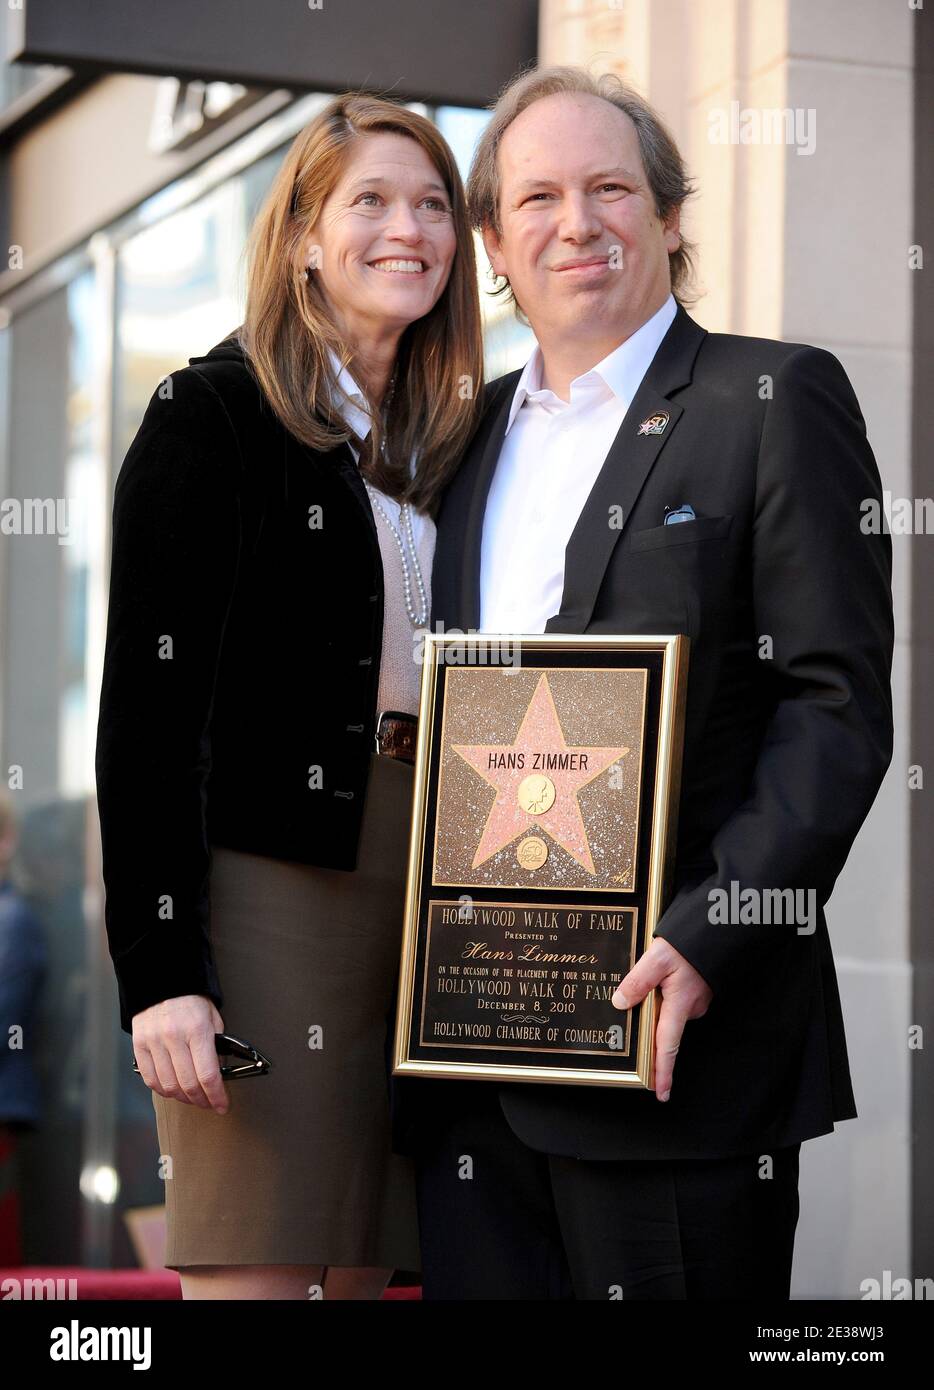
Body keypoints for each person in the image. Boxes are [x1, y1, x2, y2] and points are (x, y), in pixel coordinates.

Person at [395, 65, 895, 1300]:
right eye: (540, 197)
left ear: (669, 215)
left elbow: (834, 707)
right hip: (477, 1070)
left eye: (611, 187)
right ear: (495, 244)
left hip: (680, 1052)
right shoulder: (458, 442)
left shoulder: (772, 397)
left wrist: (712, 934)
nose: (578, 222)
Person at [95, 93, 482, 1300]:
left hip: (432, 885)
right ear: (304, 235)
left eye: (431, 203)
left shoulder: (451, 444)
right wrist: (160, 970)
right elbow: (146, 718)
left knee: (376, 1265)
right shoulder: (208, 413)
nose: (406, 227)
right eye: (368, 199)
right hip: (270, 892)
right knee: (255, 1264)